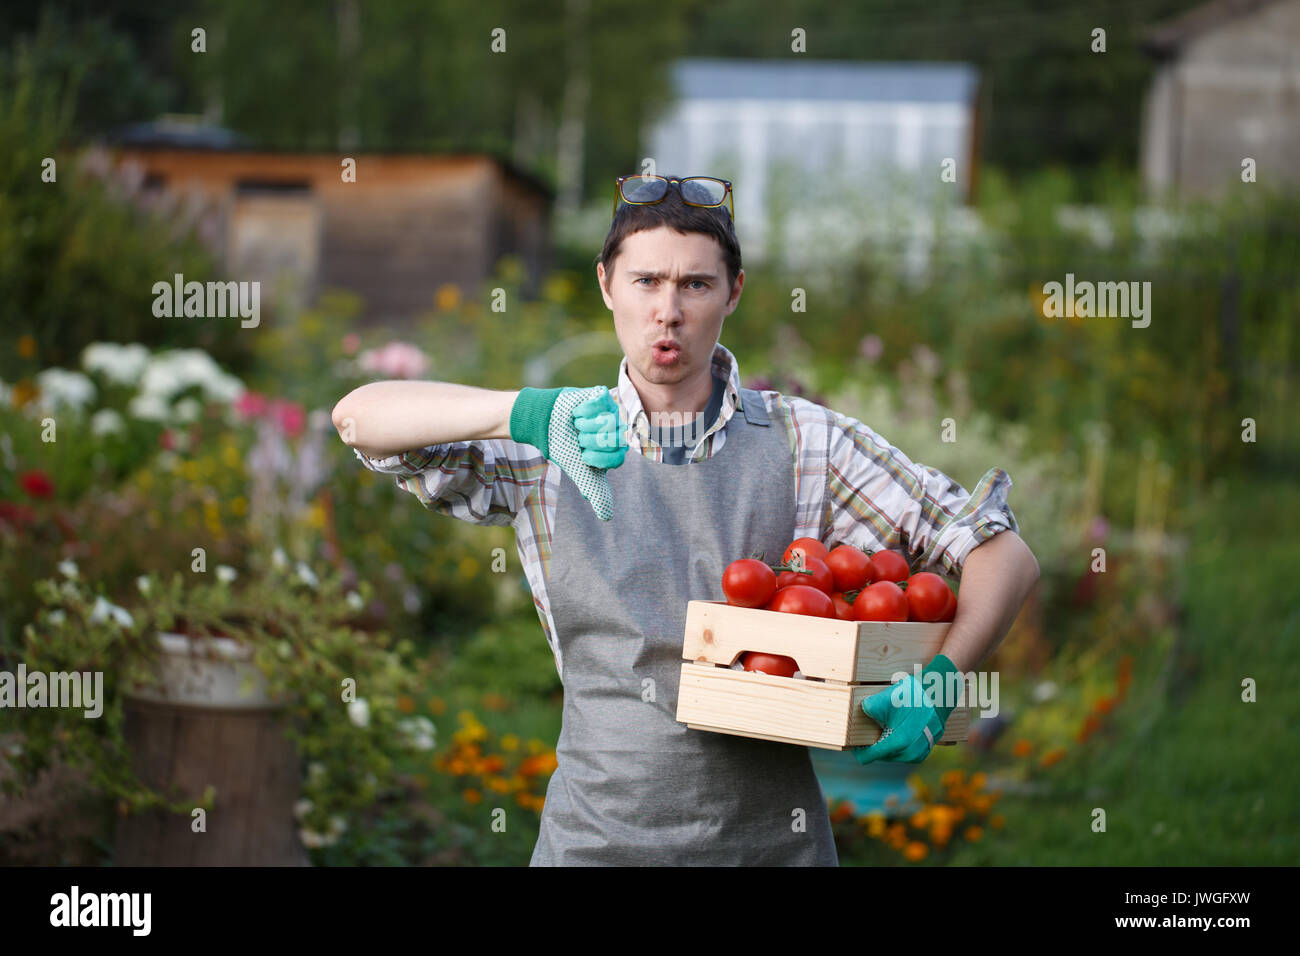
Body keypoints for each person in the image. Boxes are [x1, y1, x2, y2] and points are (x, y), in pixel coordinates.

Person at [331, 173, 1040, 866]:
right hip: (594, 844)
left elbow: (1002, 554)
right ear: (607, 285)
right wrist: (524, 412)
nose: (667, 310)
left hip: (770, 848)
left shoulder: (806, 443)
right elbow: (358, 418)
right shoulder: (551, 443)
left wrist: (948, 672)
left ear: (733, 293)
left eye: (695, 284)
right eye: (646, 282)